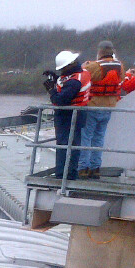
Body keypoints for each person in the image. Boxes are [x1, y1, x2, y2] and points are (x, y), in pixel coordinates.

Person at [78, 41, 125, 179]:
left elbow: (82, 76)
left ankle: (82, 169)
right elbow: (121, 79)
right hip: (109, 107)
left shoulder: (94, 66)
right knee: (99, 138)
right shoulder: (120, 66)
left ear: (100, 52)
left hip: (93, 105)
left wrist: (84, 66)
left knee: (86, 137)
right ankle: (95, 169)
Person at [46, 50, 91, 180]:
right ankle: (69, 173)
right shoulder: (81, 74)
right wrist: (56, 79)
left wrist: (51, 91)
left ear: (68, 66)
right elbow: (67, 88)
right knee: (73, 145)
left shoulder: (74, 81)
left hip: (68, 117)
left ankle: (63, 176)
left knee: (64, 146)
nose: (62, 72)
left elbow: (60, 100)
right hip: (76, 115)